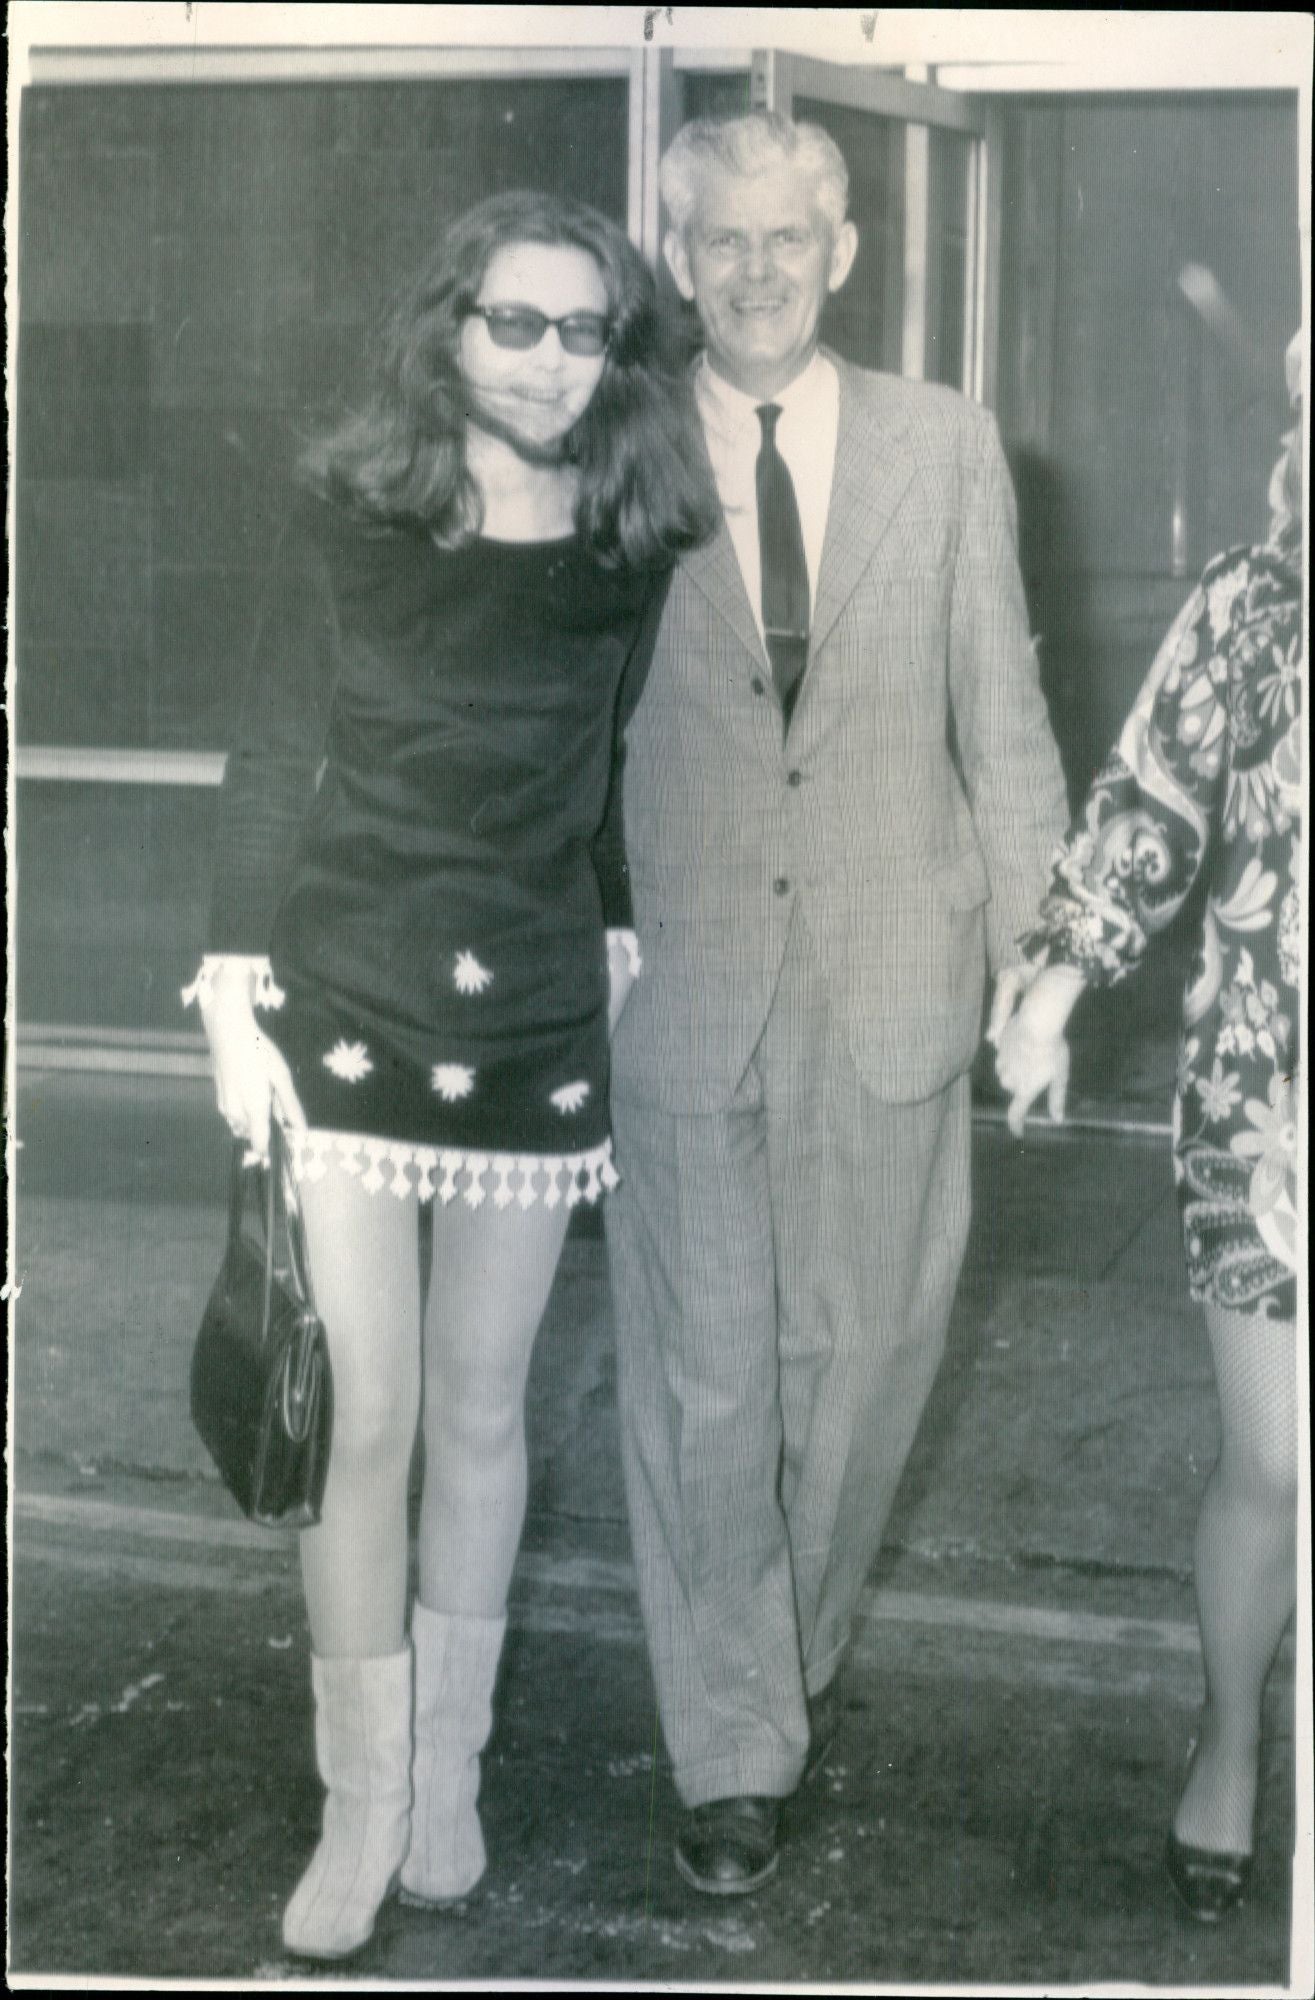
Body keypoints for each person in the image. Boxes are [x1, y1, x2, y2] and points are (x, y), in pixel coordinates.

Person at [184, 189, 715, 1961]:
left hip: (535, 1011)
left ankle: (453, 1775)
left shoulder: (630, 540)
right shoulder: (350, 519)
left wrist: (617, 931)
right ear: (449, 329)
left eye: (587, 332)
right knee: (372, 1420)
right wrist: (229, 988)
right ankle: (361, 1803)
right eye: (519, 324)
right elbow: (273, 750)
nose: (555, 363)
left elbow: (609, 763)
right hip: (348, 995)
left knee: (487, 1416)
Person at [603, 110, 1070, 1895]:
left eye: (787, 239)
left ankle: (771, 1668)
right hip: (689, 975)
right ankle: (732, 1745)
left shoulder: (946, 450)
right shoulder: (621, 448)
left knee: (864, 1366)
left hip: (893, 962)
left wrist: (1041, 955)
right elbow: (569, 715)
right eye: (720, 241)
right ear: (681, 258)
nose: (755, 271)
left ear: (845, 250)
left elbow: (1001, 722)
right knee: (709, 1378)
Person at [992, 335, 1303, 1924]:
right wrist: (1052, 985)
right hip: (1273, 1101)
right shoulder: (1251, 606)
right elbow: (1148, 809)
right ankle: (1236, 1730)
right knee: (1279, 1455)